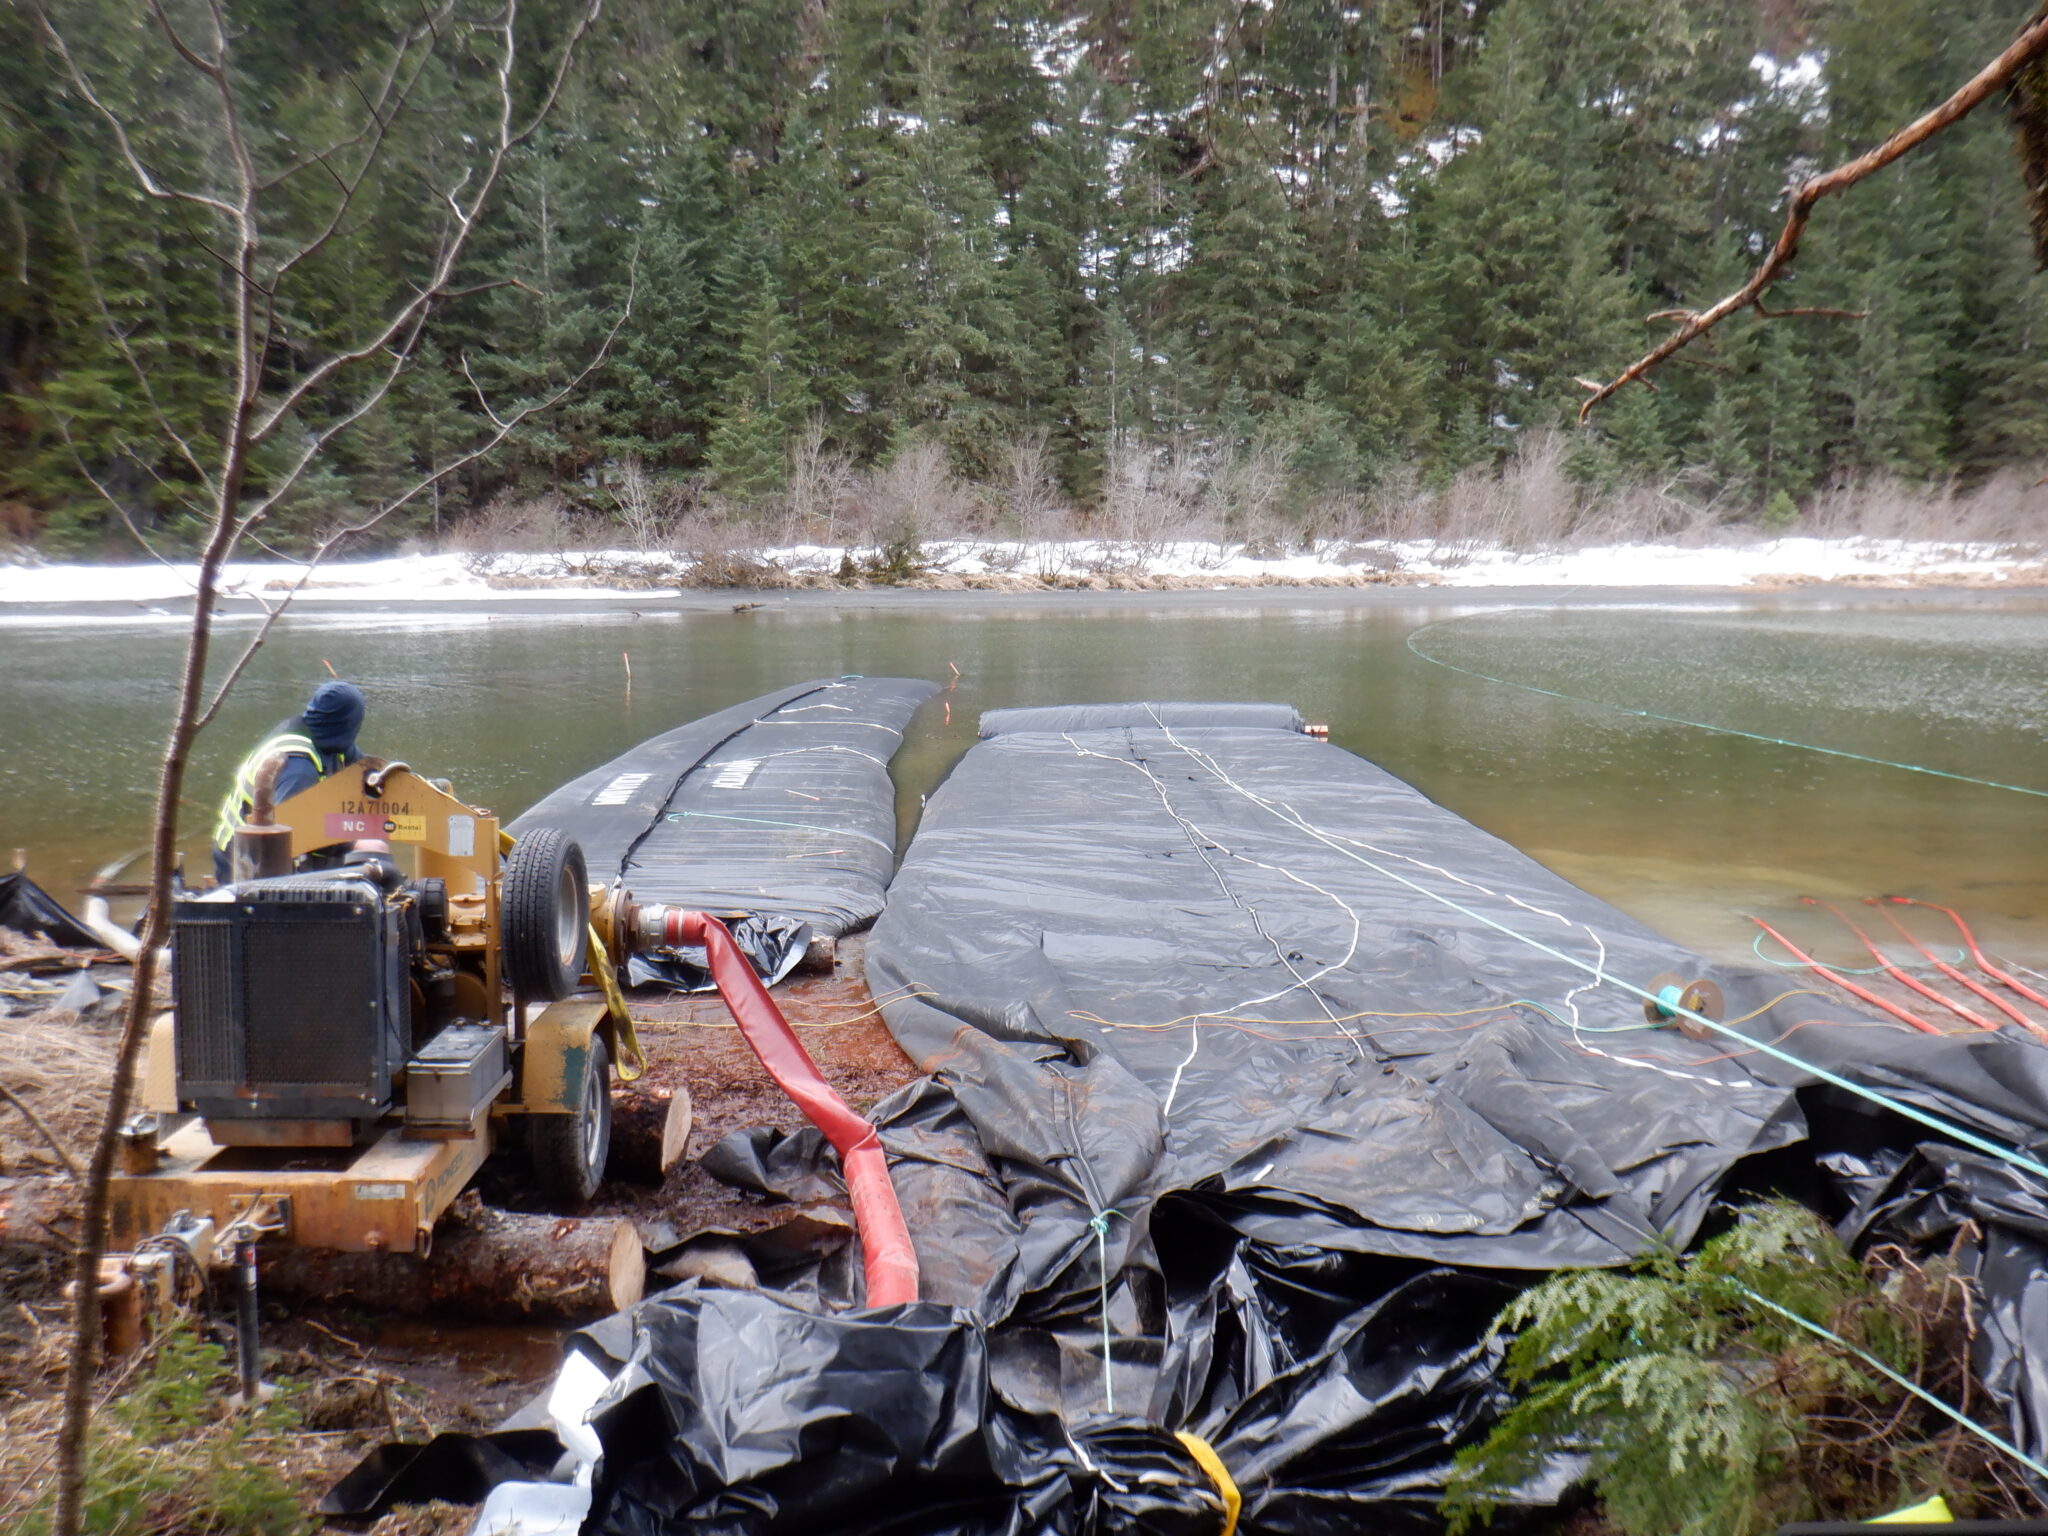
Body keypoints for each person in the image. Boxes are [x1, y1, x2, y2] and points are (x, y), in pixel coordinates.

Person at [212, 680, 367, 879]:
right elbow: (292, 830)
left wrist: (387, 775)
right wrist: (355, 840)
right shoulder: (298, 769)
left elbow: (357, 761)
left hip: (255, 854)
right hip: (245, 861)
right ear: (348, 723)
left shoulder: (314, 730)